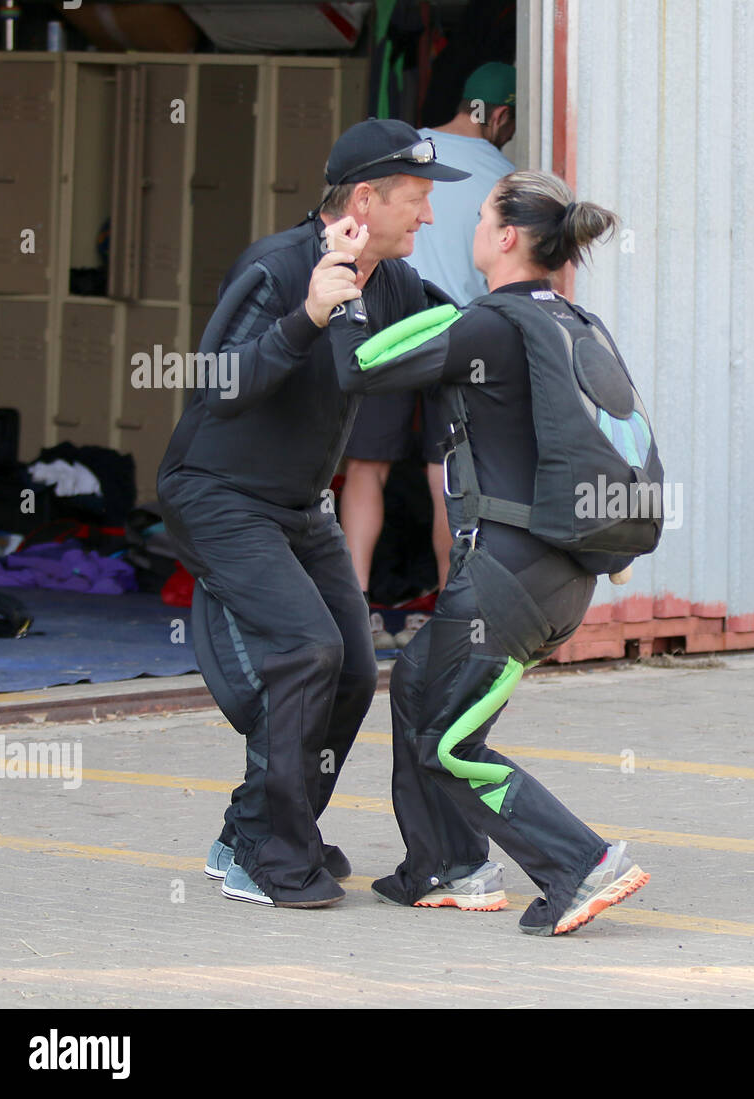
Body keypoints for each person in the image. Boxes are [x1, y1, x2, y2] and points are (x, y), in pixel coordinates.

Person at [325, 170, 651, 935]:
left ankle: (580, 861)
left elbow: (359, 366)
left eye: (478, 216)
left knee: (450, 742)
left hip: (508, 578)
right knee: (414, 683)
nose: (467, 227)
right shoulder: (572, 319)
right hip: (555, 571)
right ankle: (445, 863)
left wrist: (338, 281)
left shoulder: (491, 324)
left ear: (506, 236)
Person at [155, 119, 469, 908]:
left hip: (300, 503)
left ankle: (259, 829)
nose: (427, 218)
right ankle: (268, 851)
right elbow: (216, 386)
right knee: (304, 648)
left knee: (357, 669)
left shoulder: (394, 280)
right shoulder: (278, 267)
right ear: (365, 199)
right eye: (417, 199)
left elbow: (449, 342)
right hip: (218, 492)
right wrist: (306, 320)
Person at [341, 62, 517, 633]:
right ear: (501, 115)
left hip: (387, 326)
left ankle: (354, 606)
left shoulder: (411, 153)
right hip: (456, 335)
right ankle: (447, 610)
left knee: (366, 468)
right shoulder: (507, 178)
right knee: (448, 476)